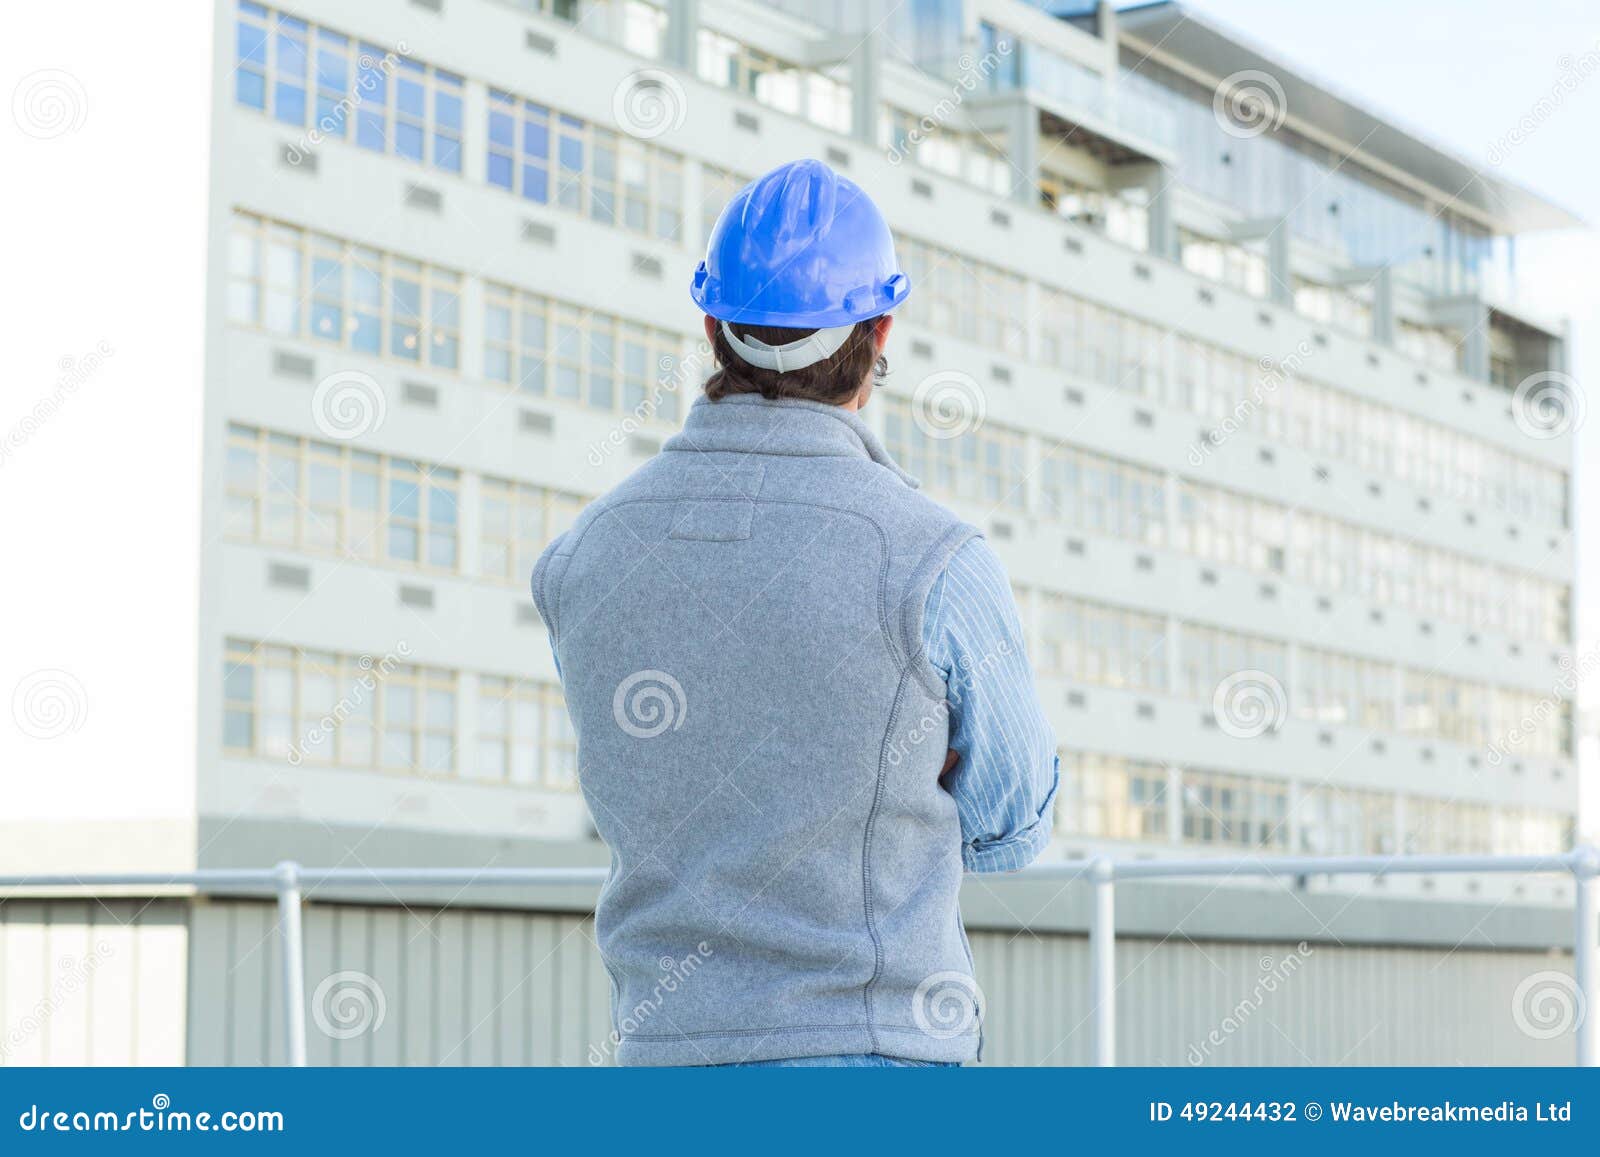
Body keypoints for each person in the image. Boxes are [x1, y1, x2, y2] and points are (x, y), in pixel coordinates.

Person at [532, 158, 1057, 1067]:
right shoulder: (936, 560)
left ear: (711, 326)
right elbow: (1010, 827)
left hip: (661, 1057)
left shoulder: (586, 553)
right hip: (876, 1060)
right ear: (881, 328)